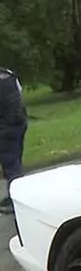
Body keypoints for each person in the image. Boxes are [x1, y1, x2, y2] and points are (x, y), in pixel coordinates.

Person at [0, 67, 28, 215]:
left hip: (5, 129)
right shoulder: (8, 73)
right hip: (19, 123)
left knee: (11, 165)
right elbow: (19, 92)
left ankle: (17, 201)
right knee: (15, 161)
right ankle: (15, 195)